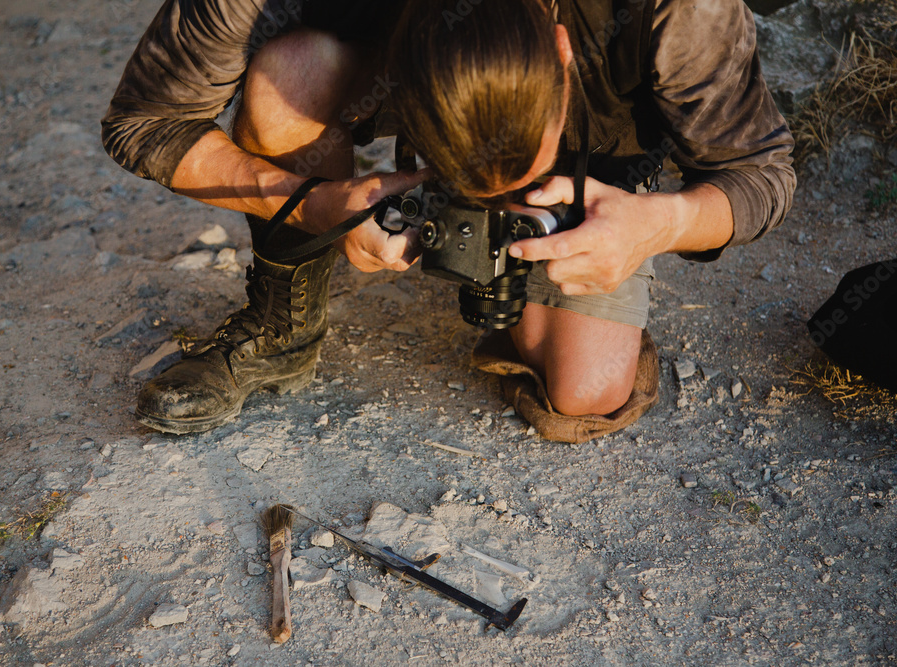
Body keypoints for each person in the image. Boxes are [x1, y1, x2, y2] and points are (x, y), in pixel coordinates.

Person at [102, 0, 795, 441]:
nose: (496, 206)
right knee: (292, 73)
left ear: (561, 57)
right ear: (395, 83)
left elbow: (764, 172)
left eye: (515, 181)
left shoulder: (682, 10)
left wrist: (655, 223)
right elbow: (141, 123)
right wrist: (315, 201)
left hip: (598, 148)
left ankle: (563, 202)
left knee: (584, 391)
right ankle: (282, 325)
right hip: (387, 53)